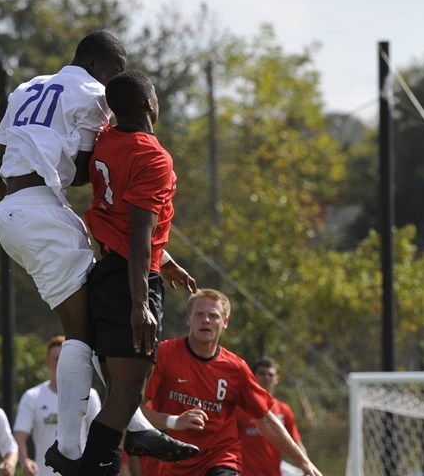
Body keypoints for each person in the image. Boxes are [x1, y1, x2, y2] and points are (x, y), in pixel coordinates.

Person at [0, 32, 196, 474]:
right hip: (43, 212)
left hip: (11, 208)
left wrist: (19, 214)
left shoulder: (26, 88)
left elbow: (0, 165)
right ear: (103, 66)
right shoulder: (94, 94)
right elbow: (87, 168)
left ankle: (134, 423)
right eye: (114, 74)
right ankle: (67, 451)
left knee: (101, 312)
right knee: (83, 331)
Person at [76, 70, 201, 476]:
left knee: (122, 387)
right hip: (132, 278)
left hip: (107, 268)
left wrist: (167, 261)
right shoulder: (153, 156)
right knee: (127, 391)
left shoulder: (107, 140)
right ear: (150, 104)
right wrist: (139, 304)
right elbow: (140, 236)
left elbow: (125, 224)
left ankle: (123, 450)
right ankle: (88, 465)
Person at [137, 288, 322, 476]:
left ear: (225, 322)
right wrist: (175, 421)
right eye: (199, 314)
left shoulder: (236, 368)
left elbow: (265, 418)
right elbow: (136, 409)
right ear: (188, 318)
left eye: (213, 316)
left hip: (221, 459)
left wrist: (303, 461)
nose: (206, 320)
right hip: (175, 462)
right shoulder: (165, 354)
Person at [14, 336, 102, 476]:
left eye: (64, 358)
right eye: (55, 359)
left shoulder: (90, 395)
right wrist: (24, 460)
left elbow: (98, 435)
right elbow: (20, 435)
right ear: (47, 363)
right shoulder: (32, 396)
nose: (60, 363)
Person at [236, 357, 306, 475]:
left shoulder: (284, 410)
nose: (266, 377)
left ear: (277, 378)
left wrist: (306, 465)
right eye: (262, 373)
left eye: (271, 374)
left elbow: (297, 443)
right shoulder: (240, 409)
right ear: (253, 377)